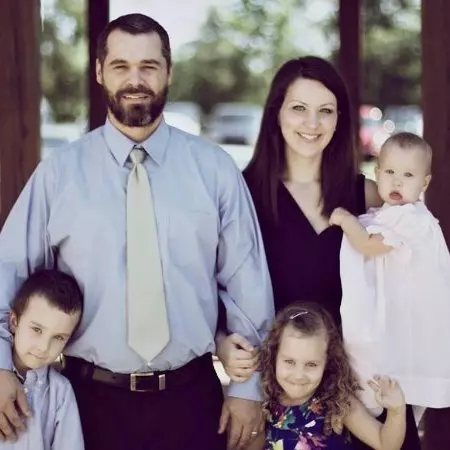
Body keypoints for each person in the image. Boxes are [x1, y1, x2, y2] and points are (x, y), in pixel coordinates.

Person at [0, 13, 274, 450]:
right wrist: (1, 366)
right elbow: (7, 274)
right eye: (121, 66)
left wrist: (247, 389)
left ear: (169, 71)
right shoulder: (58, 175)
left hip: (193, 402)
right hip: (86, 404)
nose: (135, 80)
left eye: (148, 66)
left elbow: (247, 287)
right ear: (99, 72)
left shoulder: (215, 171)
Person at [216, 56, 421, 449]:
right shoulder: (243, 197)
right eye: (299, 109)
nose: (312, 124)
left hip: (363, 392)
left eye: (325, 111)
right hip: (285, 403)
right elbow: (209, 290)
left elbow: (415, 277)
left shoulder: (370, 196)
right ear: (276, 113)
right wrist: (223, 344)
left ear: (340, 119)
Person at [329, 132, 450, 421]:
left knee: (384, 354)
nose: (397, 181)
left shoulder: (413, 219)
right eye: (391, 172)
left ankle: (373, 397)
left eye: (408, 175)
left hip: (404, 314)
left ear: (425, 182)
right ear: (378, 173)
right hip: (393, 309)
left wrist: (346, 220)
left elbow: (369, 246)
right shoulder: (388, 214)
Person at [253, 302, 406, 450]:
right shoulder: (266, 403)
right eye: (289, 361)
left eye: (311, 364)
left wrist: (396, 411)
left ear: (327, 362)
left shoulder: (338, 403)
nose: (299, 375)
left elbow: (385, 443)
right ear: (274, 356)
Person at [1, 269, 84, 449]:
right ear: (14, 321)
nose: (44, 347)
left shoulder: (61, 393)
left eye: (59, 337)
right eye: (37, 329)